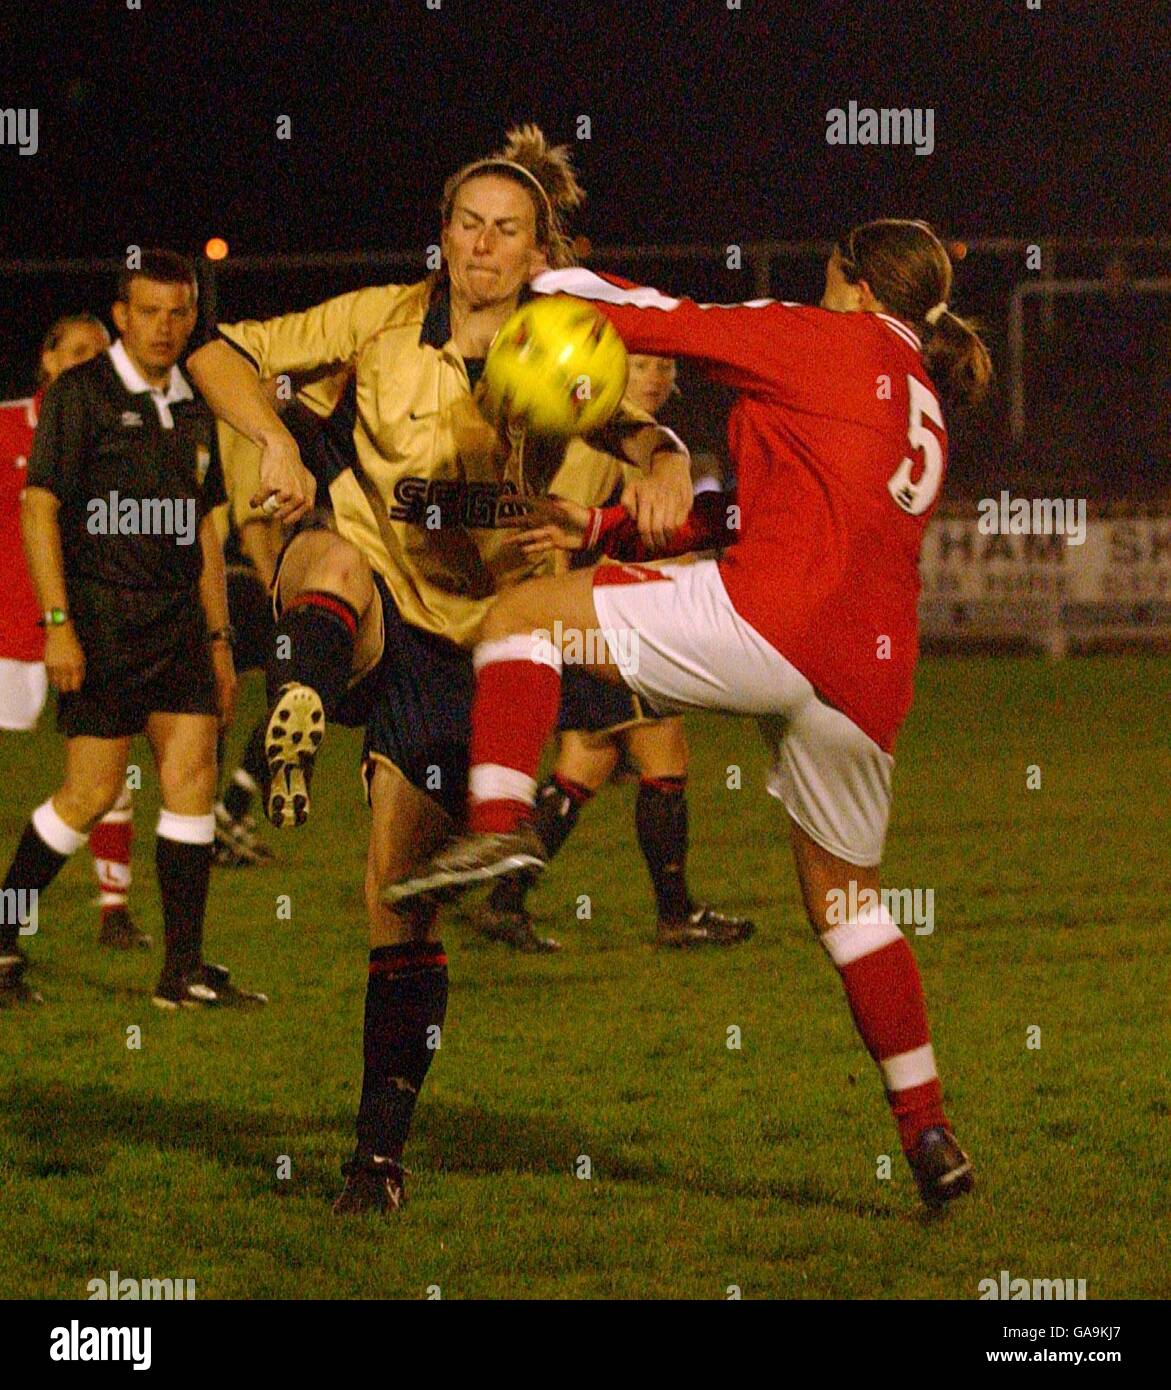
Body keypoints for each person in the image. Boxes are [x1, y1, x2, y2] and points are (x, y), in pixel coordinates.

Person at [385, 219, 993, 1209]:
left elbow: (662, 320)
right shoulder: (918, 391)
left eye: (826, 269)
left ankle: (499, 828)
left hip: (770, 623)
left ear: (851, 280)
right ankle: (927, 1131)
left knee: (521, 617)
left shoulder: (826, 336)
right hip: (867, 679)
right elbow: (771, 513)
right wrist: (609, 525)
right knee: (849, 905)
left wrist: (552, 278)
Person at [187, 125, 693, 1212]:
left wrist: (667, 466)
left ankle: (377, 1151)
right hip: (380, 609)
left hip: (487, 649)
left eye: (506, 230)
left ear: (537, 248)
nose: (481, 243)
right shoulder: (380, 317)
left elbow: (646, 434)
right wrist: (275, 441)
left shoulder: (563, 346)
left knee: (397, 904)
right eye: (467, 222)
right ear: (445, 233)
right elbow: (215, 348)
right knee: (328, 547)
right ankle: (306, 699)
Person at [0, 251, 266, 1010]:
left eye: (179, 313)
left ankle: (182, 970)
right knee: (89, 793)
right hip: (103, 620)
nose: (164, 327)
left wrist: (219, 639)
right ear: (121, 314)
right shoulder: (81, 395)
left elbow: (204, 529)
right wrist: (58, 625)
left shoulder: (195, 402)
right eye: (149, 312)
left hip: (179, 624)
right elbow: (38, 509)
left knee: (191, 783)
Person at [482, 353, 754, 950]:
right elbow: (552, 532)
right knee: (664, 762)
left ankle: (502, 898)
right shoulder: (595, 447)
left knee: (585, 764)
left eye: (664, 366)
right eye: (639, 366)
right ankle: (675, 913)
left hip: (617, 628)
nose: (656, 377)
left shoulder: (652, 458)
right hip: (609, 631)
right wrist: (554, 624)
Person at [0, 313, 149, 949]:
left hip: (84, 632)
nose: (91, 363)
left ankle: (114, 908)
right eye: (78, 351)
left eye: (100, 353)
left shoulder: (115, 434)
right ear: (49, 358)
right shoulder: (8, 423)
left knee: (106, 770)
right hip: (7, 633)